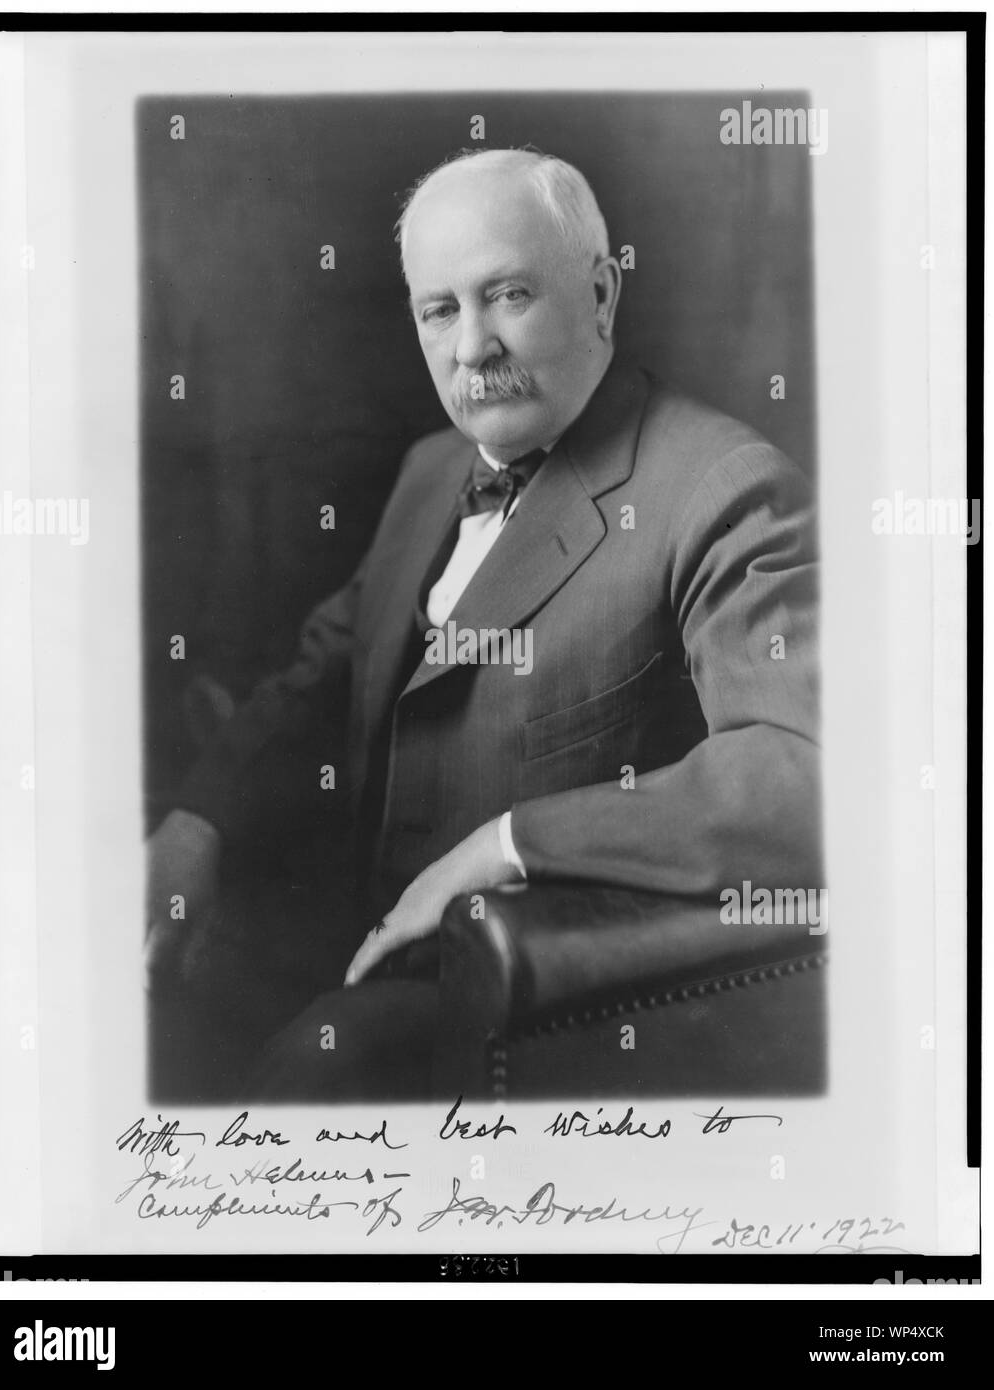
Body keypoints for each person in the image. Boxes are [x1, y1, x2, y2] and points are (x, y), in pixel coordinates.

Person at [146, 147, 821, 1100]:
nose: (471, 348)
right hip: (349, 943)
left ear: (599, 294)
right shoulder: (432, 469)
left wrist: (507, 844)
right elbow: (330, 668)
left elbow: (804, 775)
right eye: (439, 309)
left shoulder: (727, 489)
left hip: (535, 1023)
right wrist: (199, 817)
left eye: (507, 294)